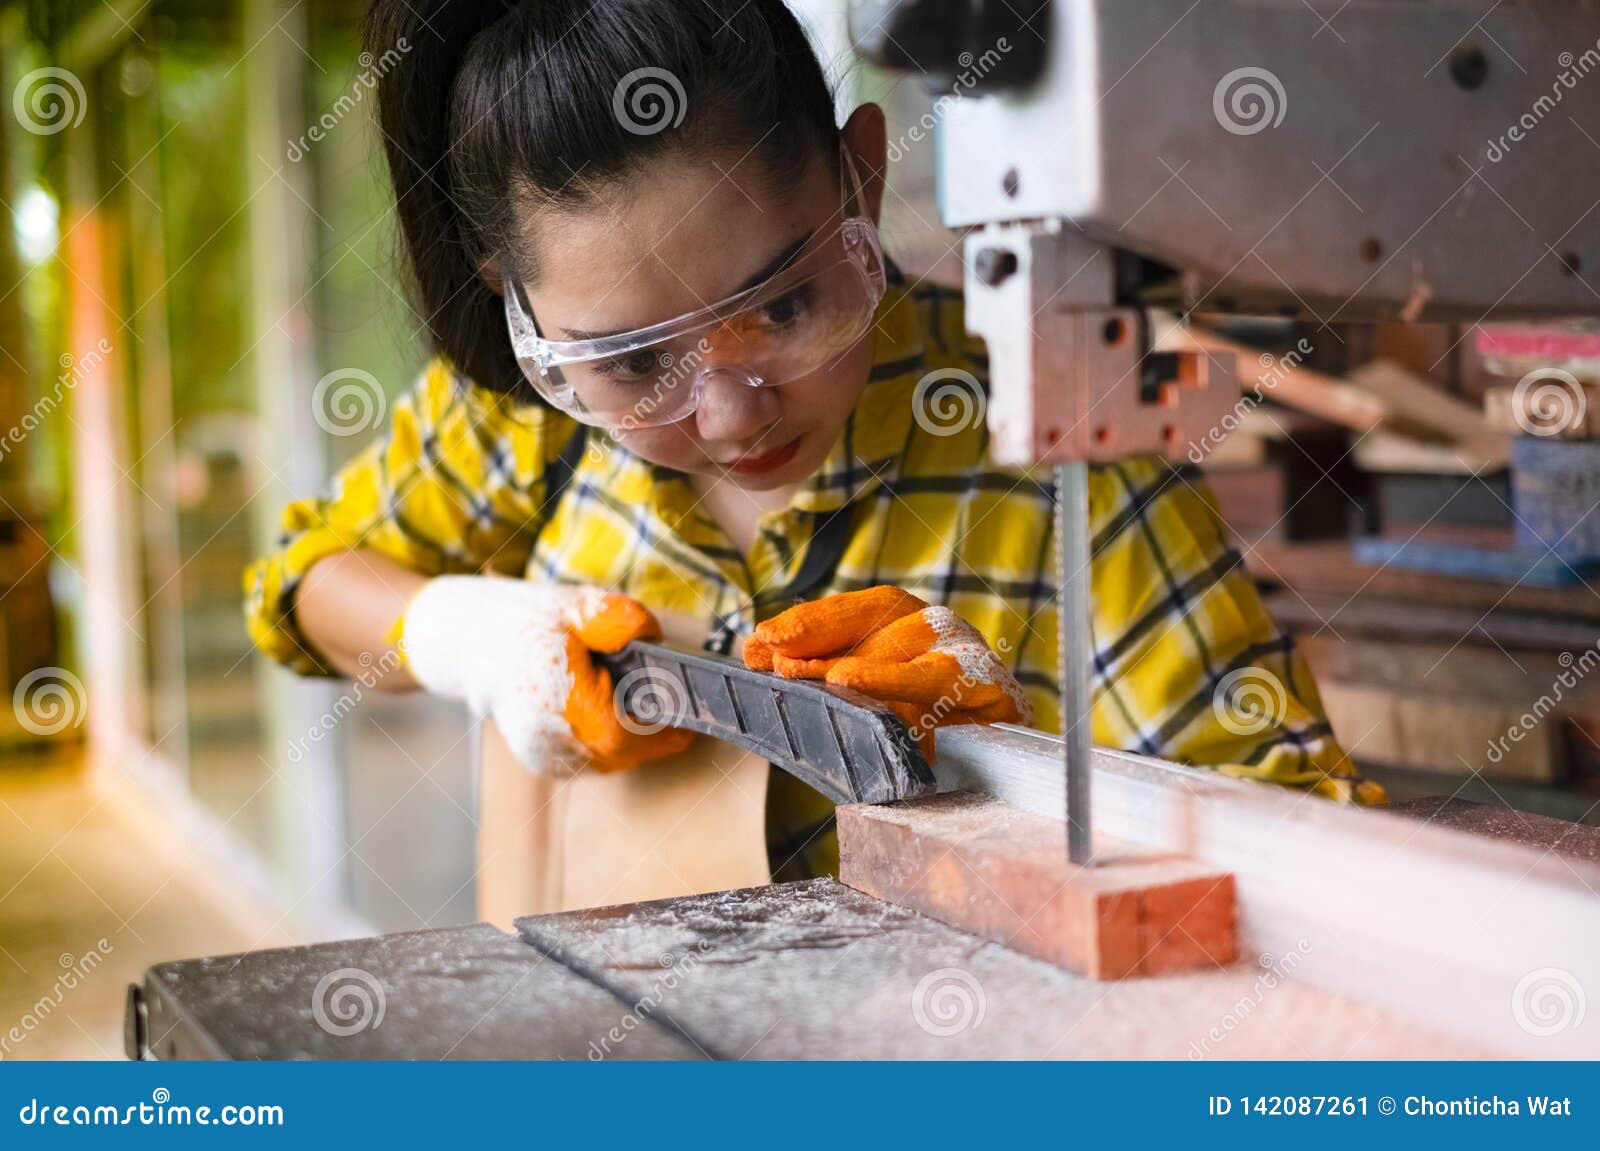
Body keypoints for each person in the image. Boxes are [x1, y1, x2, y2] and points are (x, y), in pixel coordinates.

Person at [245, 0, 1380, 891]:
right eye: (637, 364)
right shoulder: (520, 420)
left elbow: (1303, 834)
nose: (734, 413)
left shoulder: (1046, 429)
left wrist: (1009, 760)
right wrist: (457, 634)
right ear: (520, 313)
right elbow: (298, 590)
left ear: (863, 180)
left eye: (783, 308)